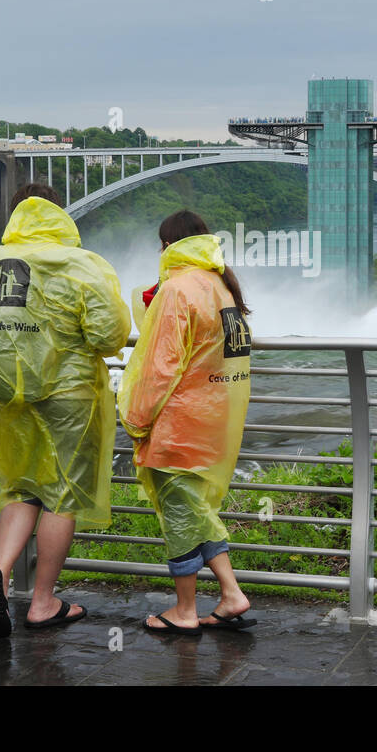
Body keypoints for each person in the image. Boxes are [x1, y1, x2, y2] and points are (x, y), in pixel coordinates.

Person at [0, 184, 130, 637]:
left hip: (6, 396)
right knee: (63, 494)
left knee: (21, 488)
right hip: (69, 393)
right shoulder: (81, 265)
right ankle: (43, 602)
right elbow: (110, 335)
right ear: (59, 216)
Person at [117, 209, 255, 635]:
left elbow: (160, 368)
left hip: (179, 424)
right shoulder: (221, 285)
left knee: (180, 517)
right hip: (214, 420)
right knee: (196, 511)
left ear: (167, 245)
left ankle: (184, 610)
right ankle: (231, 595)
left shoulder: (178, 290)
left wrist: (135, 421)